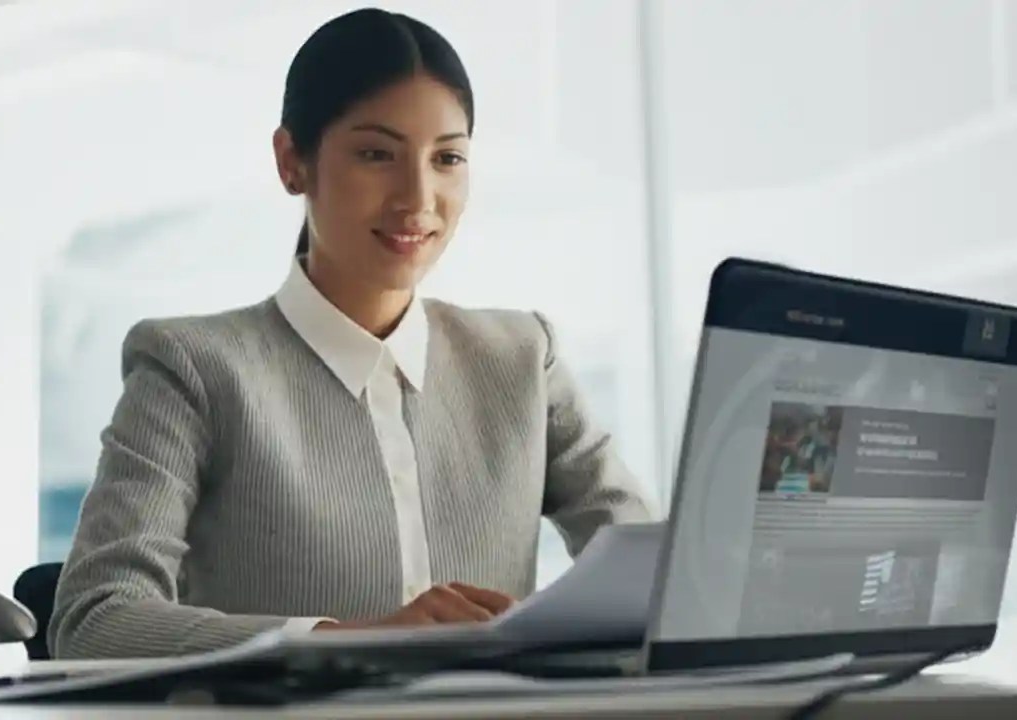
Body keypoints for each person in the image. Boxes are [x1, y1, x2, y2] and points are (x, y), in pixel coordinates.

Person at [48, 7, 656, 660]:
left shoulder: (523, 360)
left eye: (447, 158)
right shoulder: (192, 368)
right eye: (376, 155)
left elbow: (660, 583)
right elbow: (95, 621)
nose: (418, 197)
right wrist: (351, 640)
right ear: (293, 163)